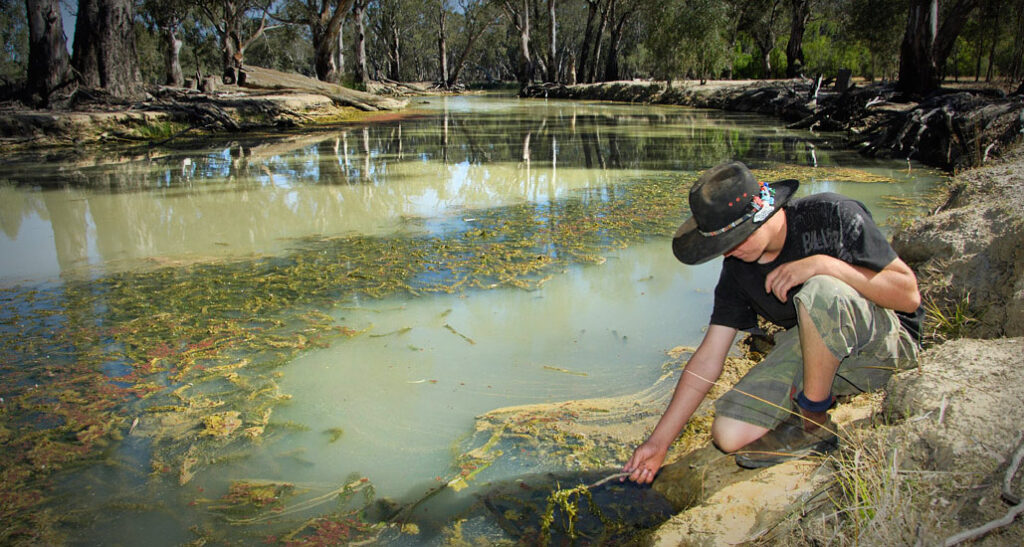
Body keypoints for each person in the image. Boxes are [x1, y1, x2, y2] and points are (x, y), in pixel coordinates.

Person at [624, 160, 923, 480]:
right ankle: (825, 392)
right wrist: (659, 442)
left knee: (819, 289)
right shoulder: (737, 269)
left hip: (886, 347)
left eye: (735, 239)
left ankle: (813, 421)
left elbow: (908, 296)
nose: (728, 252)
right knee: (729, 434)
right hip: (821, 353)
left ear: (762, 214)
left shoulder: (832, 214)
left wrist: (823, 265)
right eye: (719, 245)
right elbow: (708, 359)